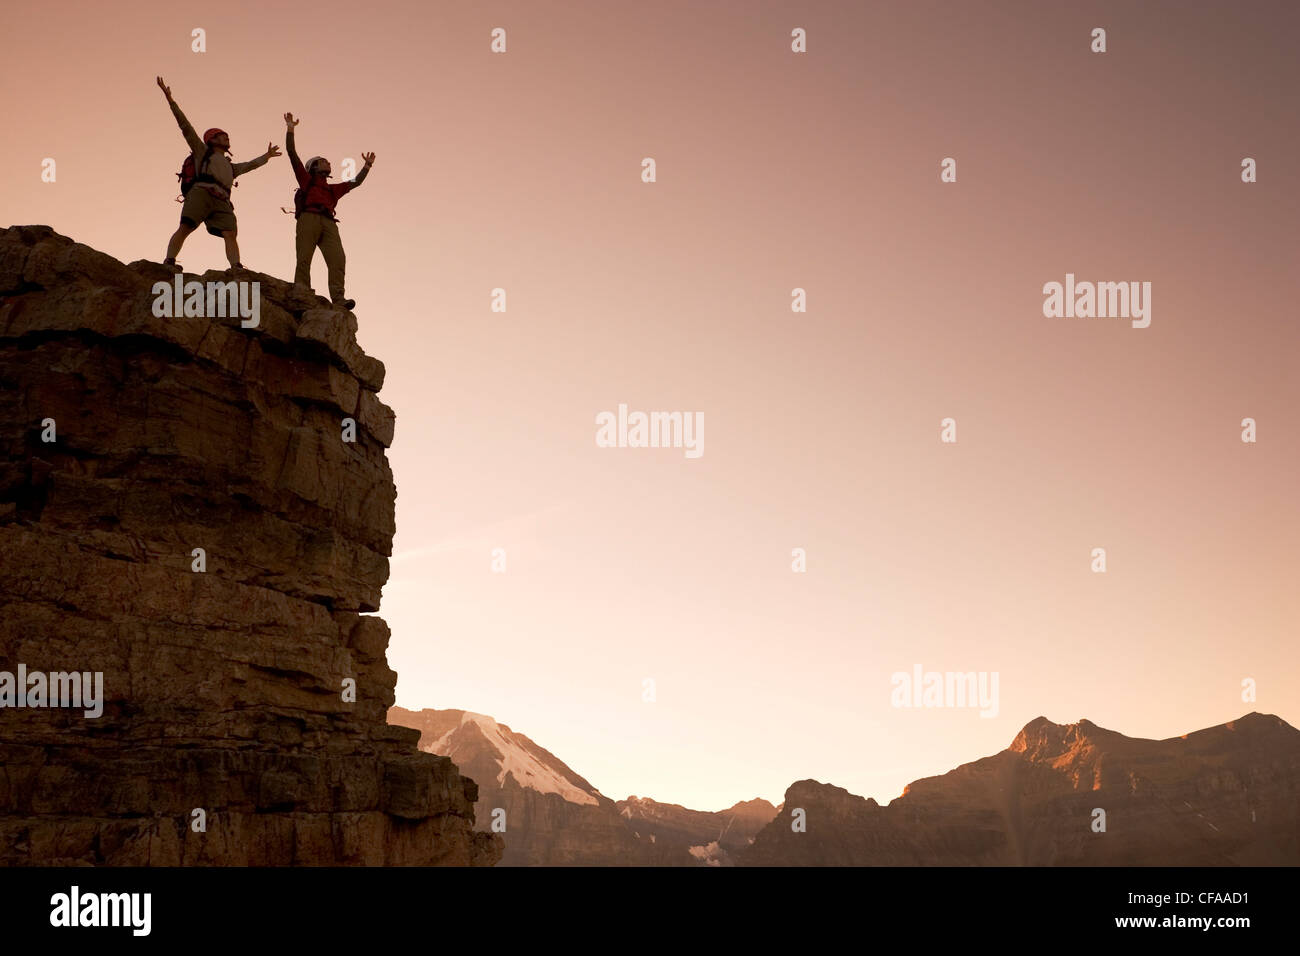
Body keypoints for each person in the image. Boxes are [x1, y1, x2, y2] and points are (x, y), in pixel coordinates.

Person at [157, 76, 280, 271]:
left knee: (230, 233)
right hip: (201, 192)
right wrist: (171, 100)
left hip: (222, 199)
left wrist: (267, 156)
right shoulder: (201, 152)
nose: (226, 137)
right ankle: (169, 261)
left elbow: (250, 165)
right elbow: (185, 127)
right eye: (222, 136)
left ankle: (236, 267)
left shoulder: (230, 167)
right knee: (186, 227)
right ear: (212, 140)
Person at [283, 112, 375, 311]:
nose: (328, 163)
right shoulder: (306, 181)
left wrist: (366, 166)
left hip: (329, 222)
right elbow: (292, 154)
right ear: (314, 167)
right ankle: (302, 289)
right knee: (304, 256)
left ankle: (338, 298)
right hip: (308, 218)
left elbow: (355, 182)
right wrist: (290, 129)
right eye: (323, 161)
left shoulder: (333, 189)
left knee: (338, 259)